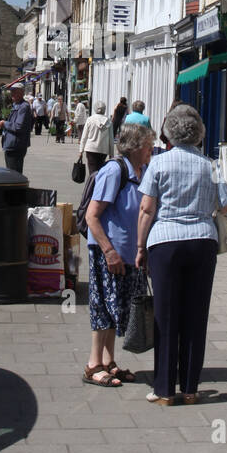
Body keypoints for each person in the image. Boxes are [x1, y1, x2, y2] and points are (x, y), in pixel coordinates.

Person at [136, 104, 227, 405]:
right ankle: (190, 387)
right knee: (195, 314)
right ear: (199, 133)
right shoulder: (211, 166)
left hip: (165, 242)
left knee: (165, 315)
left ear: (169, 132)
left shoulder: (159, 164)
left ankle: (164, 388)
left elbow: (147, 208)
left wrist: (140, 248)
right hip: (202, 241)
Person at [84, 123, 155, 388]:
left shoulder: (143, 170)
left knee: (118, 308)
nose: (151, 149)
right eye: (148, 145)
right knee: (103, 306)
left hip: (128, 255)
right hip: (108, 252)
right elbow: (92, 216)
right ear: (136, 147)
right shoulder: (114, 170)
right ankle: (93, 365)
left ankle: (109, 361)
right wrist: (109, 251)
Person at [0, 85, 33, 173]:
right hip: (11, 145)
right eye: (11, 91)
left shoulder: (23, 106)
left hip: (16, 146)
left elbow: (18, 126)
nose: (12, 93)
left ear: (21, 93)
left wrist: (4, 123)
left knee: (14, 174)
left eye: (14, 91)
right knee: (11, 173)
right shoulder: (16, 105)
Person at [77, 100, 114, 175]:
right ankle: (98, 185)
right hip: (103, 149)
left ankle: (92, 184)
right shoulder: (108, 121)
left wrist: (81, 150)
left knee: (92, 170)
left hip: (90, 148)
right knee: (100, 170)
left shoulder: (90, 119)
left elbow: (84, 136)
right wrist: (111, 153)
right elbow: (111, 139)